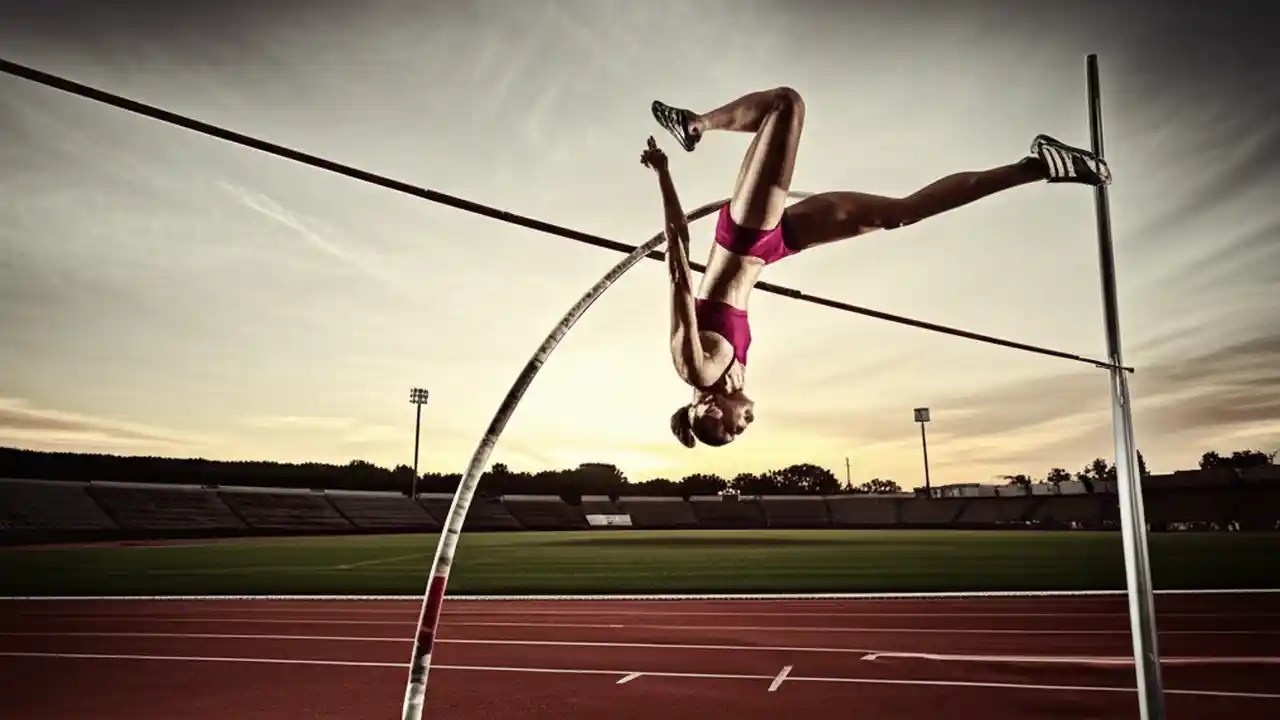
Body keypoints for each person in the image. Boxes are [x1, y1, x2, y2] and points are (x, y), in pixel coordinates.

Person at [640, 87, 1111, 449]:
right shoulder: (729, 376)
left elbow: (678, 265)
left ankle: (695, 123)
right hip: (773, 247)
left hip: (744, 235)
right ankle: (1037, 165)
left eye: (730, 432)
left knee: (786, 105)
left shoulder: (696, 370)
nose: (744, 428)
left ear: (708, 411)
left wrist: (663, 175)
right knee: (901, 213)